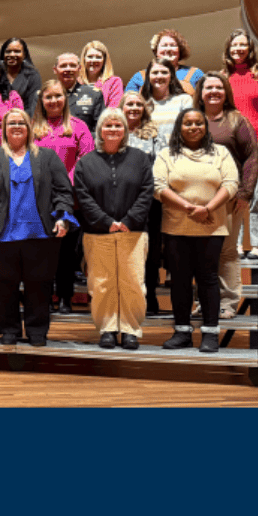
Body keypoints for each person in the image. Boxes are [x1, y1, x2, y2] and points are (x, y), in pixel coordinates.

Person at [0, 109, 77, 347]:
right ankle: (9, 330)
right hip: (1, 234)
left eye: (21, 123)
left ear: (30, 128)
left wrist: (62, 217)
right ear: (3, 129)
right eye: (11, 123)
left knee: (40, 285)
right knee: (4, 285)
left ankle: (37, 331)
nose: (16, 127)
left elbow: (63, 190)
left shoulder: (47, 157)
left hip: (41, 234)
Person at [154, 109, 239, 353]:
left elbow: (231, 183)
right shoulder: (166, 155)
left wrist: (208, 208)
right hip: (175, 228)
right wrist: (188, 207)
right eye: (188, 123)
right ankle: (182, 332)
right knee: (180, 281)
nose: (194, 127)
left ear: (205, 127)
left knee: (208, 279)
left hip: (212, 229)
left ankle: (210, 333)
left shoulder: (220, 153)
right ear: (180, 127)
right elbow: (158, 186)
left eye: (199, 123)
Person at [74, 110, 155, 350]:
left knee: (133, 282)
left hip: (134, 232)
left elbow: (146, 191)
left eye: (118, 125)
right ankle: (107, 329)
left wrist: (130, 220)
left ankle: (130, 329)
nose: (112, 129)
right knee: (101, 284)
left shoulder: (140, 159)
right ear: (99, 130)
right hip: (98, 233)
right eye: (108, 125)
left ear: (125, 130)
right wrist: (104, 221)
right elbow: (83, 196)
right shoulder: (86, 163)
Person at [196, 72, 258, 319]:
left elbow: (252, 156)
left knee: (227, 252)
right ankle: (204, 301)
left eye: (218, 88)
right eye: (208, 87)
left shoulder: (237, 121)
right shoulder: (193, 119)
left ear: (226, 93)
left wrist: (245, 192)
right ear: (200, 93)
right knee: (200, 254)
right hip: (197, 200)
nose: (213, 92)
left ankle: (227, 303)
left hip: (230, 199)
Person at [31, 79, 95, 313]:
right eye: (48, 97)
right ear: (42, 100)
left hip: (71, 197)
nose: (54, 101)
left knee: (67, 253)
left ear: (65, 99)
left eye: (58, 96)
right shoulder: (33, 127)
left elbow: (86, 159)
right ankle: (45, 297)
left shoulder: (78, 126)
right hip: (39, 199)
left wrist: (65, 183)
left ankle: (65, 297)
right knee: (42, 253)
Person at [223, 29, 258, 260]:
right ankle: (235, 245)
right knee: (234, 196)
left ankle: (256, 246)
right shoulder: (224, 77)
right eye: (234, 45)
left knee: (256, 197)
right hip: (233, 145)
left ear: (250, 48)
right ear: (228, 49)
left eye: (242, 45)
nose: (238, 49)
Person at [120, 91, 169, 315]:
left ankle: (150, 296)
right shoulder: (114, 130)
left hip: (149, 201)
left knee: (150, 250)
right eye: (129, 104)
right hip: (120, 201)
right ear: (121, 107)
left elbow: (160, 165)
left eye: (138, 105)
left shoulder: (154, 133)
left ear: (144, 109)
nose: (133, 108)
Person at [125, 29, 204, 96]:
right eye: (164, 45)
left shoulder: (195, 74)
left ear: (180, 50)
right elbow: (127, 102)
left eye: (173, 45)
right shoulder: (140, 77)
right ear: (156, 51)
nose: (168, 49)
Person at [53, 52, 104, 132]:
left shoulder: (93, 94)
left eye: (73, 66)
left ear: (79, 69)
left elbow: (100, 131)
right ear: (55, 70)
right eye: (63, 66)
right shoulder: (43, 95)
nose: (68, 69)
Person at [141, 57, 194, 130]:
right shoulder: (142, 103)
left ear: (171, 77)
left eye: (164, 72)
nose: (159, 76)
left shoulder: (184, 100)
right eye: (155, 73)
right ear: (148, 77)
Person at [0, 37, 42, 115]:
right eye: (8, 51)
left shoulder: (32, 74)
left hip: (23, 119)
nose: (12, 55)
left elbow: (33, 105)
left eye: (17, 51)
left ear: (24, 54)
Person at [81, 40, 123, 109]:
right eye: (90, 57)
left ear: (104, 61)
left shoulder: (114, 82)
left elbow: (113, 111)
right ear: (84, 59)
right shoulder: (76, 82)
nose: (94, 60)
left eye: (98, 57)